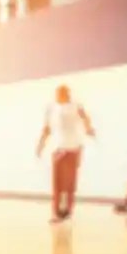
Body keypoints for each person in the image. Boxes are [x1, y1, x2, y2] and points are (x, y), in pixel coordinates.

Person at [36, 84, 96, 223]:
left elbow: (85, 117)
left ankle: (68, 212)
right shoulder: (51, 108)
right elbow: (46, 129)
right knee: (57, 183)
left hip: (74, 148)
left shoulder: (76, 105)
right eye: (60, 92)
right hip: (58, 149)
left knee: (70, 183)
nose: (63, 94)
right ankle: (56, 213)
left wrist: (89, 129)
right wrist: (41, 145)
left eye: (66, 92)